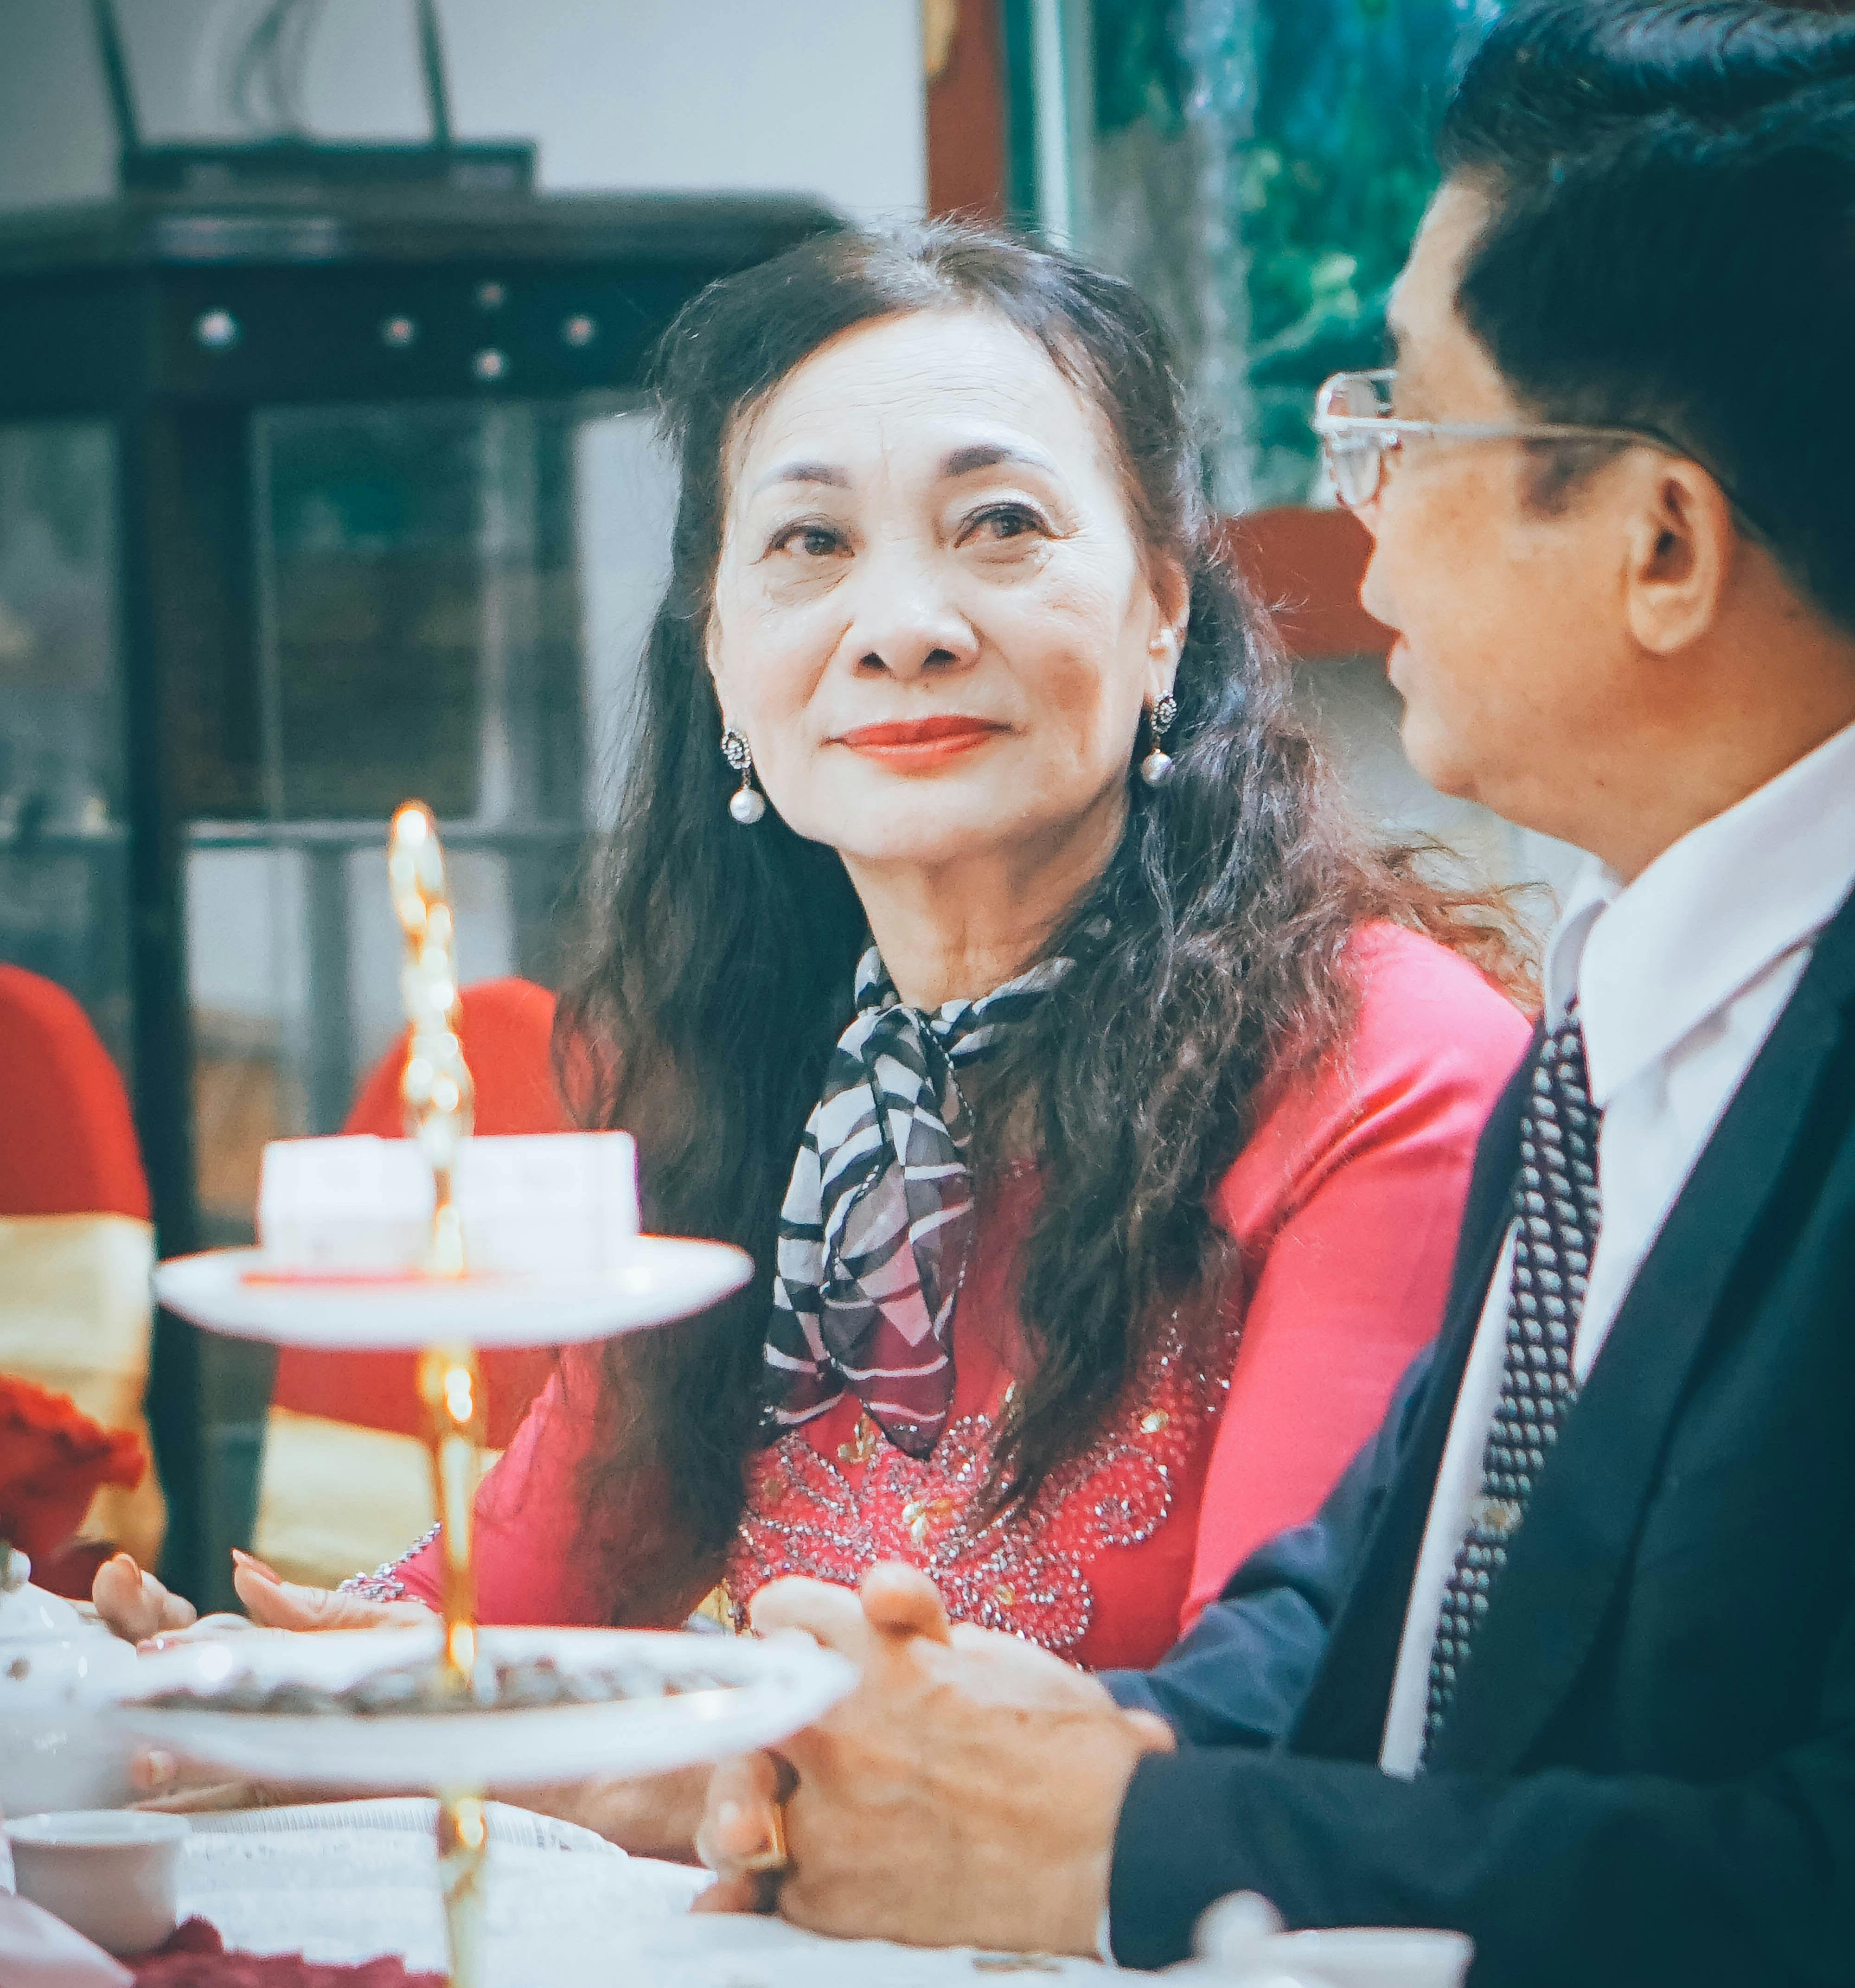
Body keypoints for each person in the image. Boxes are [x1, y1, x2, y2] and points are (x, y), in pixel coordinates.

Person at [693, 0, 1855, 1988]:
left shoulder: (1426, 1041)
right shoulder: (1637, 985)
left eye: (1407, 427)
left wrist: (1115, 1846)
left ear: (1662, 544)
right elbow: (1392, 1598)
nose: (1359, 514)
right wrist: (1064, 1750)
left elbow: (1818, 1899)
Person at [101, 226, 1525, 1713]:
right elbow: (523, 1593)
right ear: (720, 652)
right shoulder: (773, 1069)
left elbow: (1286, 1741)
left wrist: (645, 1768)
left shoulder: (1387, 1068)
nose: (905, 630)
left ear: (1162, 611)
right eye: (811, 544)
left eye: (1002, 526)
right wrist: (256, 1676)